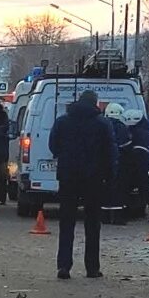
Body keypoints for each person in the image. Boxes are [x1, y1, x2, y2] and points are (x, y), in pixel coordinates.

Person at [47, 88, 114, 280]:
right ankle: (92, 268)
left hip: (68, 177)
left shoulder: (63, 121)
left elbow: (53, 145)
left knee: (66, 222)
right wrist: (109, 176)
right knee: (92, 224)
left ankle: (64, 266)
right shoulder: (102, 124)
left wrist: (65, 157)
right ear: (95, 103)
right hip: (94, 178)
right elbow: (110, 151)